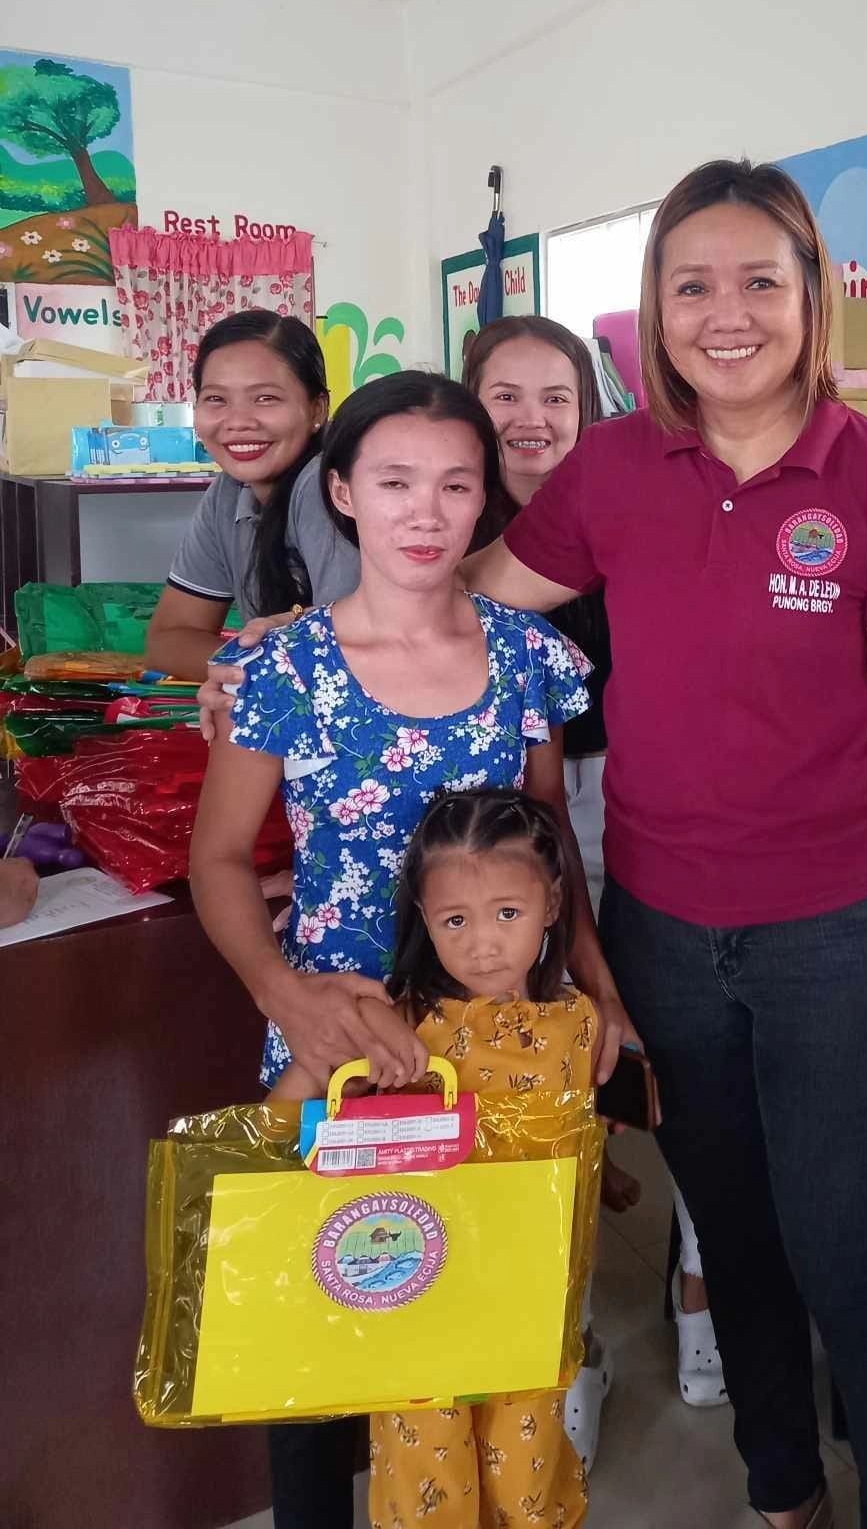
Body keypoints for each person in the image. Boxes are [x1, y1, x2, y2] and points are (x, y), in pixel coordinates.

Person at [464, 161, 867, 1529]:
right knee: (733, 1236)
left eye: (760, 279)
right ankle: (782, 1492)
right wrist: (315, 637)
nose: (726, 312)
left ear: (814, 297)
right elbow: (476, 600)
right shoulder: (613, 467)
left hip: (844, 931)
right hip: (663, 929)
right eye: (692, 284)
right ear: (655, 308)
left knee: (847, 1253)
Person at [189, 369, 627, 1529]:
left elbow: (552, 847)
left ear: (486, 499)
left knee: (481, 1324)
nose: (425, 511)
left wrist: (599, 987)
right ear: (342, 491)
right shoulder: (283, 668)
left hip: (502, 1052)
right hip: (338, 1039)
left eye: (454, 484)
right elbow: (217, 857)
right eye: (393, 481)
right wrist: (284, 994)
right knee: (320, 1319)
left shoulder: (527, 656)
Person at [464, 314, 727, 1415]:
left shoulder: (636, 499)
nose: (531, 420)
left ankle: (702, 1285)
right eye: (505, 396)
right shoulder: (448, 523)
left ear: (590, 409)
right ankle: (561, 1338)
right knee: (535, 1065)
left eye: (555, 397)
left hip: (650, 797)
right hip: (497, 818)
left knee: (692, 1051)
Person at [270, 787, 595, 1529]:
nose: (482, 944)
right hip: (415, 1300)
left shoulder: (579, 1020)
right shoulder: (404, 1022)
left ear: (550, 904)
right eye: (455, 920)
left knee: (525, 1475)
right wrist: (331, 1042)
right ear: (424, 918)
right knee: (431, 1481)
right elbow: (283, 1116)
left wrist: (608, 1186)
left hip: (527, 1305)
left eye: (507, 913)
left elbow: (571, 1139)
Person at [146, 309, 360, 681]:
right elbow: (168, 641)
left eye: (265, 398)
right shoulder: (229, 491)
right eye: (216, 399)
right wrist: (260, 672)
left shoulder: (325, 485)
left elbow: (347, 653)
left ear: (317, 409)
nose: (238, 422)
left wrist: (251, 671)